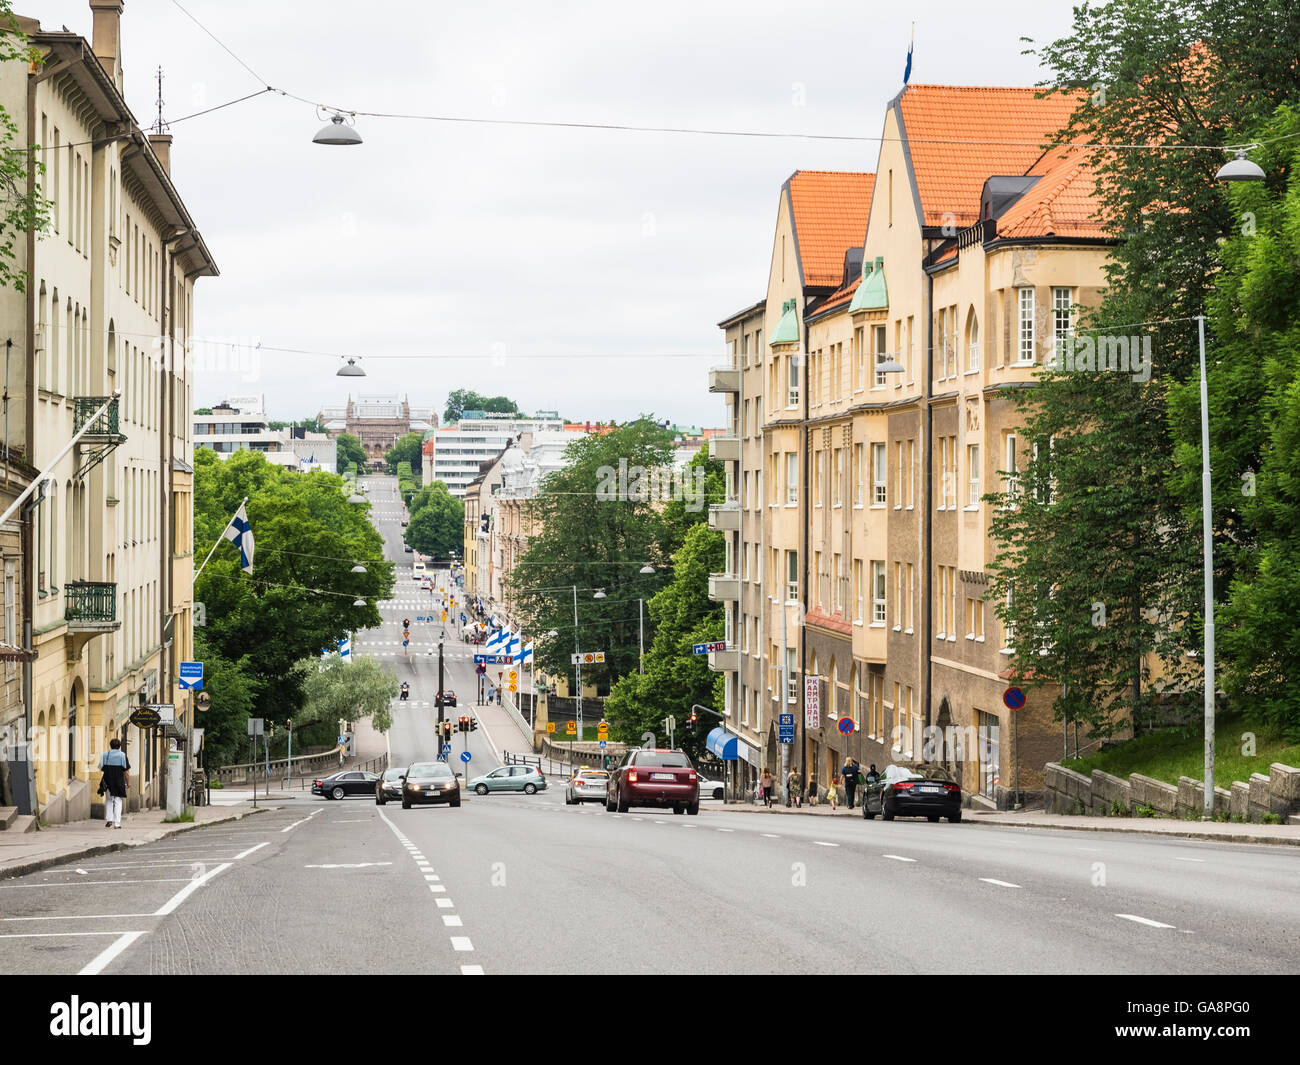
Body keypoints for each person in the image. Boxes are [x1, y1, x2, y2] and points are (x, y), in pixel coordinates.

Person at [97, 738, 130, 829]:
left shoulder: (105, 754)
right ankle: (117, 823)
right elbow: (126, 771)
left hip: (108, 780)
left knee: (109, 800)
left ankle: (109, 819)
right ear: (119, 746)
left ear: (110, 745)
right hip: (119, 780)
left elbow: (100, 767)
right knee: (118, 801)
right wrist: (128, 782)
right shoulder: (122, 755)